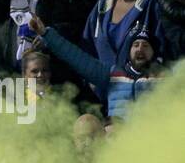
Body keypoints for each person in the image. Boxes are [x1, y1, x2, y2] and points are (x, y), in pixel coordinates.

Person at [34, 16, 165, 122]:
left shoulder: (164, 78)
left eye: (146, 46)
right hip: (118, 138)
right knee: (86, 122)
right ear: (129, 51)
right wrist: (46, 34)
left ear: (153, 52)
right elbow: (76, 58)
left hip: (153, 137)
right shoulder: (114, 74)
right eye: (135, 45)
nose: (140, 49)